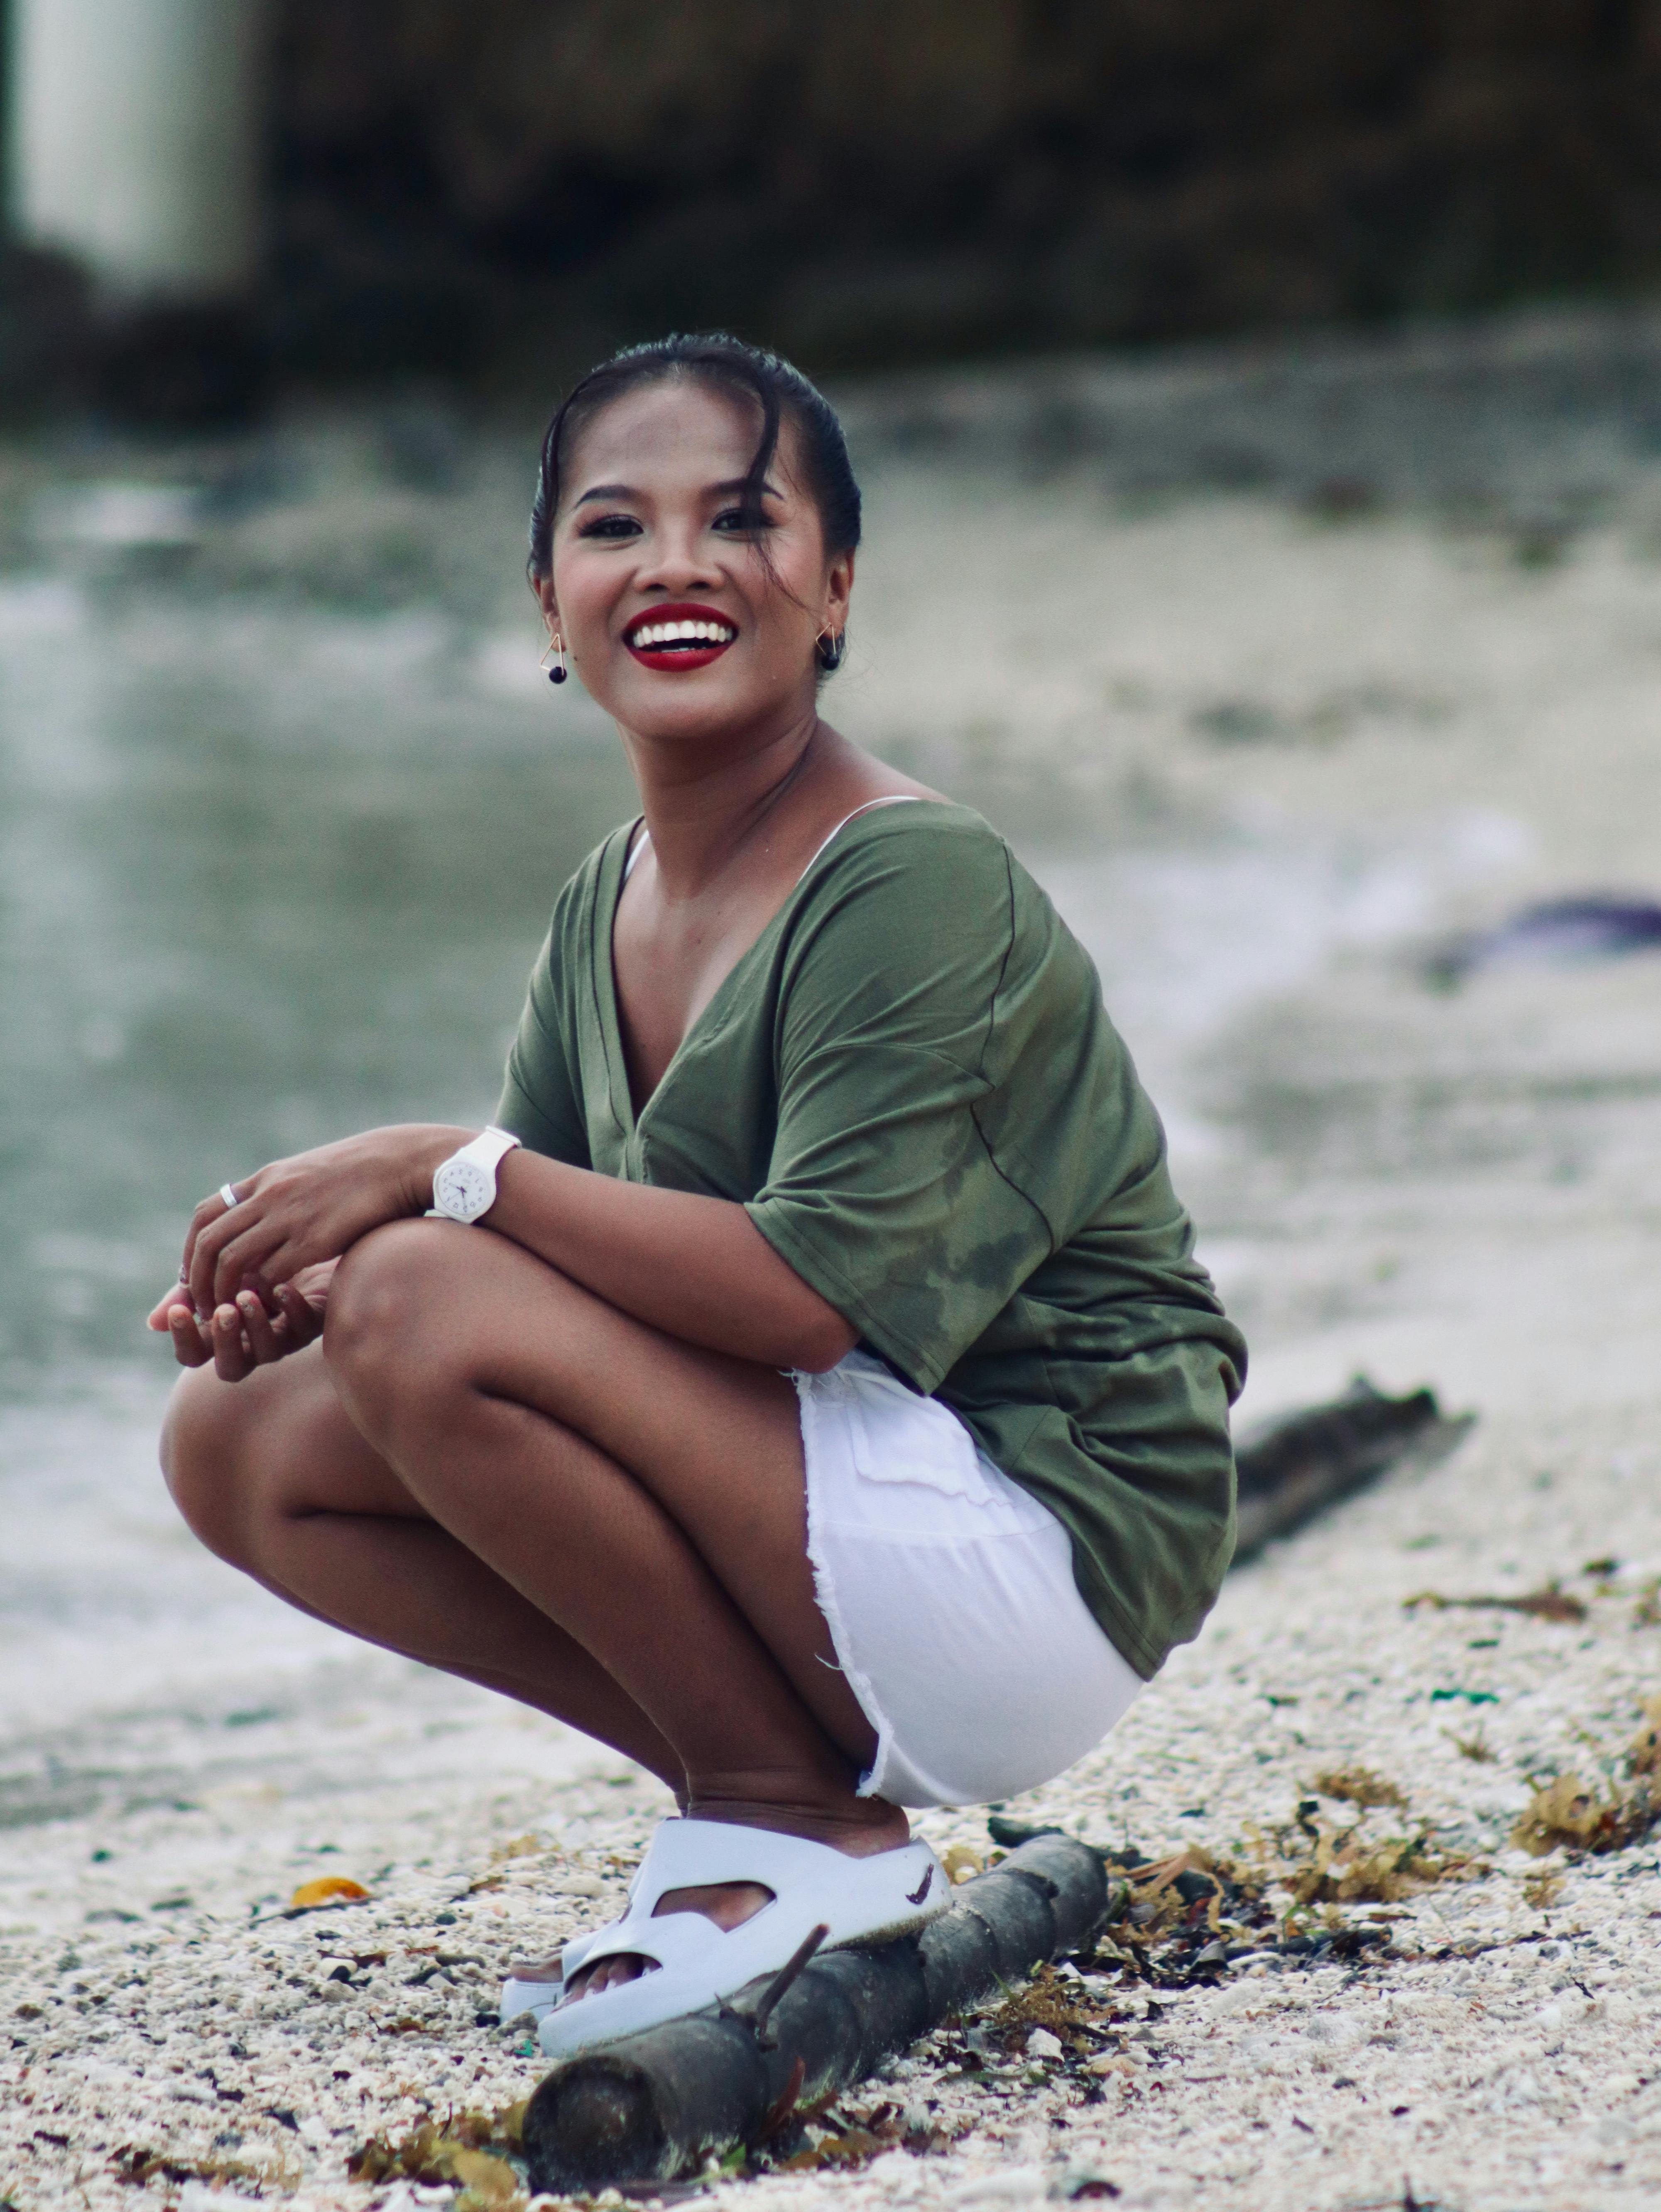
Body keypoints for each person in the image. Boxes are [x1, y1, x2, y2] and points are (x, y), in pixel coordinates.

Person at [151, 333, 1245, 2059]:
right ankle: (775, 1801)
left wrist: (432, 1177)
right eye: (613, 528)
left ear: (832, 586)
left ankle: (781, 1824)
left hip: (1045, 1543)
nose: (673, 566)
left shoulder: (909, 876)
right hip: (842, 1522)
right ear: (547, 597)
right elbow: (517, 1268)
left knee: (418, 1299)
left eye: (739, 520)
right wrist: (293, 1291)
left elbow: (796, 1297)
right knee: (241, 1439)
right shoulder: (607, 898)